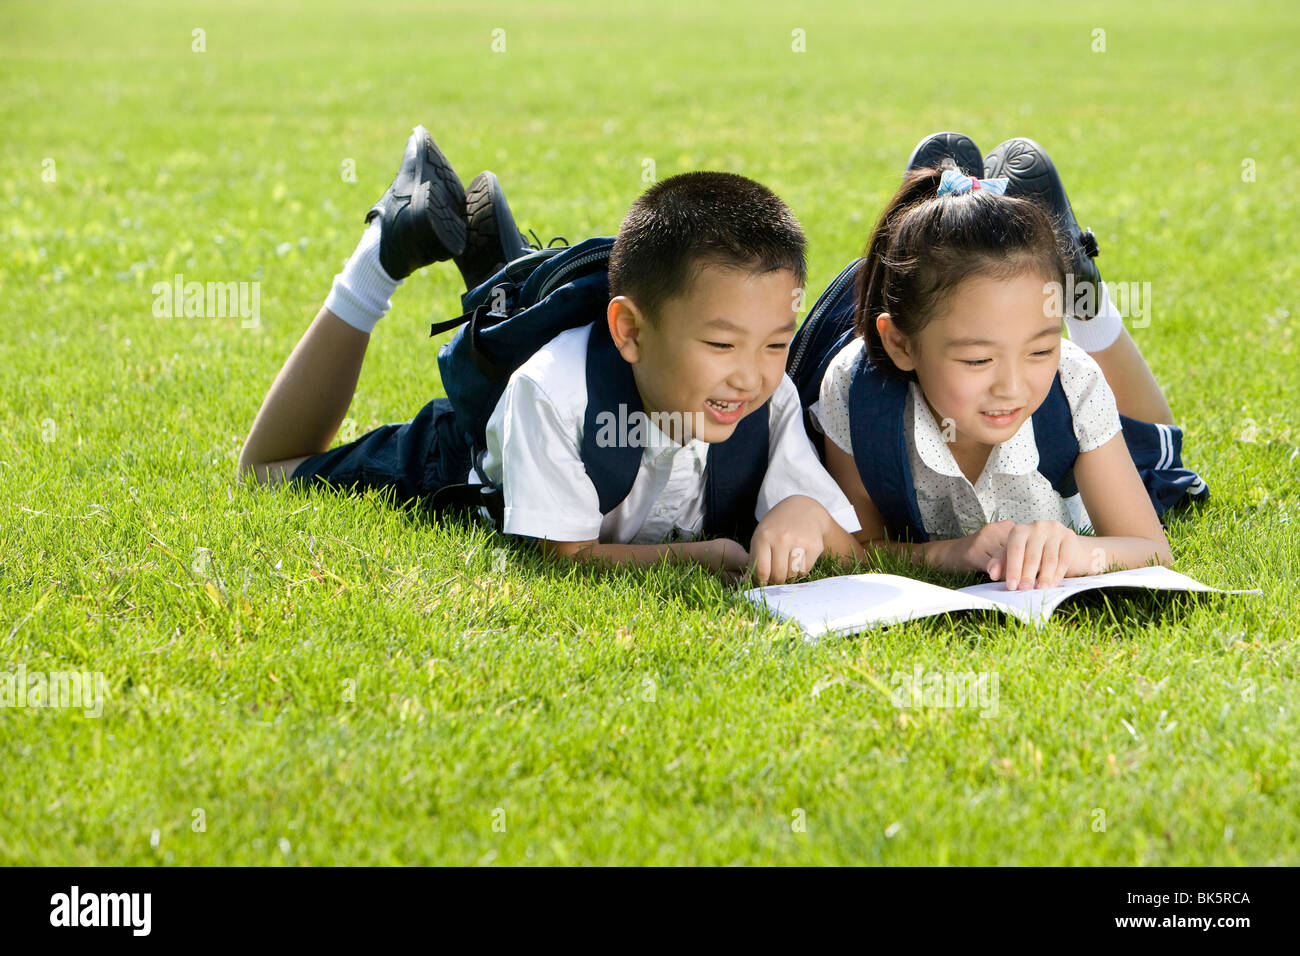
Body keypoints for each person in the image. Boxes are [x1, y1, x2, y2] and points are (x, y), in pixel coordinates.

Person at [237, 125, 861, 585]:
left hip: (595, 366)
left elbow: (852, 546)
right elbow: (565, 560)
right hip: (455, 458)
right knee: (268, 474)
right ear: (631, 332)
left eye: (777, 342)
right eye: (722, 343)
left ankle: (510, 278)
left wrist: (808, 512)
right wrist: (709, 556)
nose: (752, 373)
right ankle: (384, 248)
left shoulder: (766, 397)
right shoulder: (555, 391)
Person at [813, 134, 1205, 591]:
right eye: (978, 359)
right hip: (913, 334)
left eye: (1041, 349)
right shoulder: (854, 390)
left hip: (1089, 443)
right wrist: (948, 553)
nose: (1012, 387)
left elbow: (1150, 547)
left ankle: (1084, 297)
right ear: (901, 344)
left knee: (1157, 457)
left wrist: (1079, 549)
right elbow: (859, 546)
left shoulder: (1070, 382)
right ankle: (932, 229)